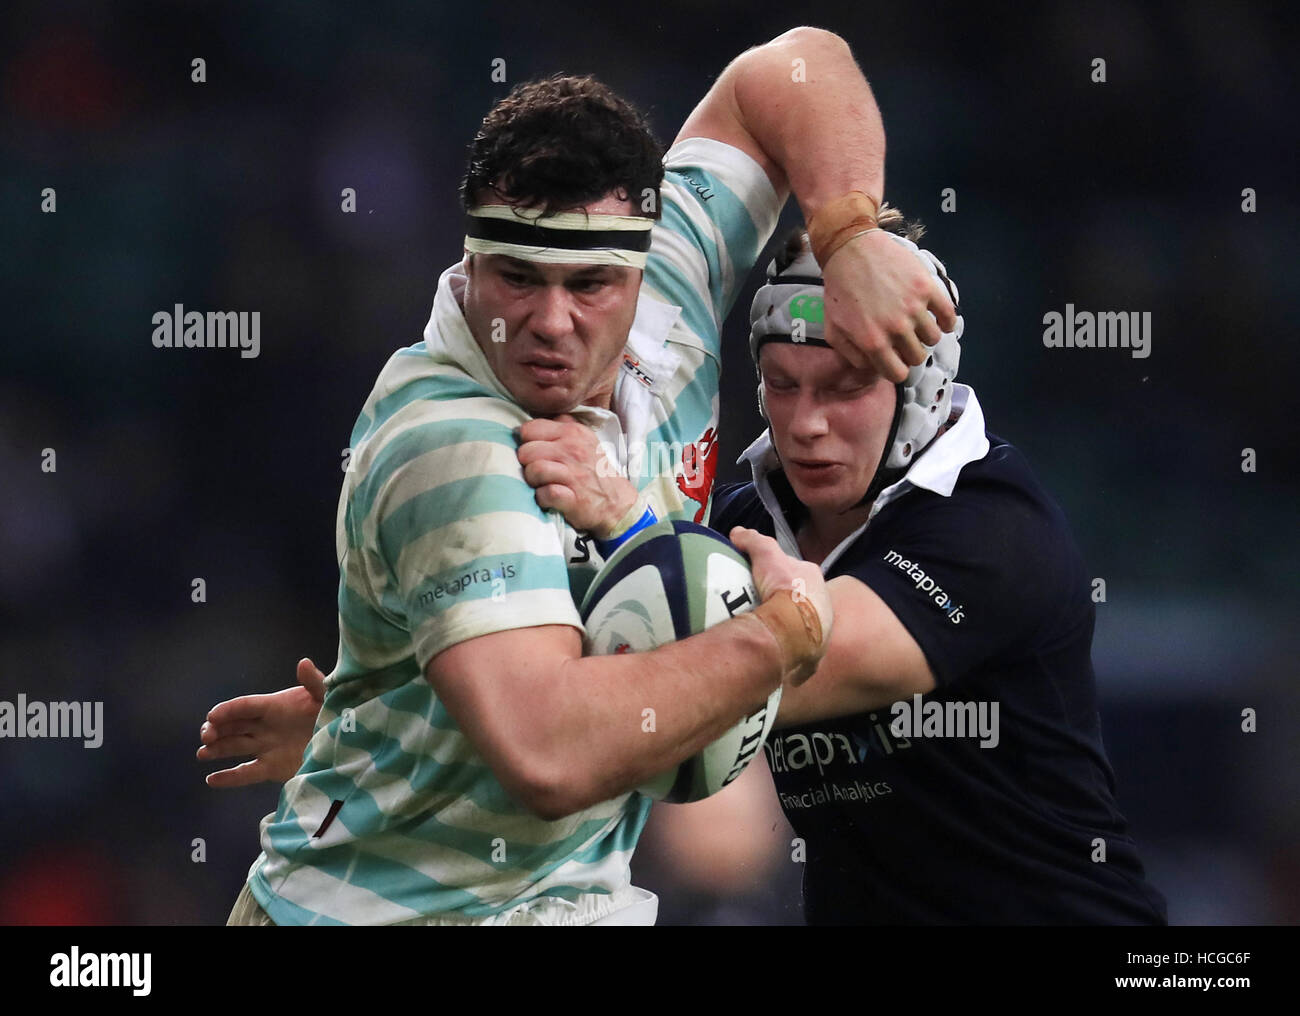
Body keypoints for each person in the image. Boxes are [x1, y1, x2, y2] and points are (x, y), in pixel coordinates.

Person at [199, 28, 957, 926]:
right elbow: (549, 757)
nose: (551, 321)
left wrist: (848, 233)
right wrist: (777, 637)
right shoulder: (453, 445)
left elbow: (792, 69)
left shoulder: (670, 278)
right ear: (470, 262)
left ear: (643, 266)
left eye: (590, 284)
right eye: (518, 279)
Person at [522, 214, 1169, 924]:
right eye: (783, 382)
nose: (804, 424)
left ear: (920, 384)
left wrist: (630, 526)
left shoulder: (993, 525)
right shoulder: (744, 520)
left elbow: (789, 661)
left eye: (844, 387)